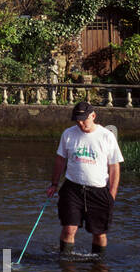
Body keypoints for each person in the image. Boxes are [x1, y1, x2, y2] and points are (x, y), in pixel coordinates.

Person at [46, 101, 122, 256]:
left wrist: (112, 195)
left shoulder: (106, 136)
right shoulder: (68, 134)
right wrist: (54, 184)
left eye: (84, 119)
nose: (80, 123)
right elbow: (60, 159)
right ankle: (65, 261)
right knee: (69, 228)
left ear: (93, 116)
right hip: (72, 189)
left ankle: (98, 263)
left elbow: (114, 167)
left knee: (99, 233)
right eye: (77, 120)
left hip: (99, 191)